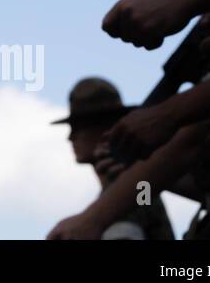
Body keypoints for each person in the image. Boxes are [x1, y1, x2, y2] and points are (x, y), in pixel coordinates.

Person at [49, 78, 174, 240]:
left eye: (79, 127)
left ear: (106, 129)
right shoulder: (132, 189)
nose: (71, 137)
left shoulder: (131, 193)